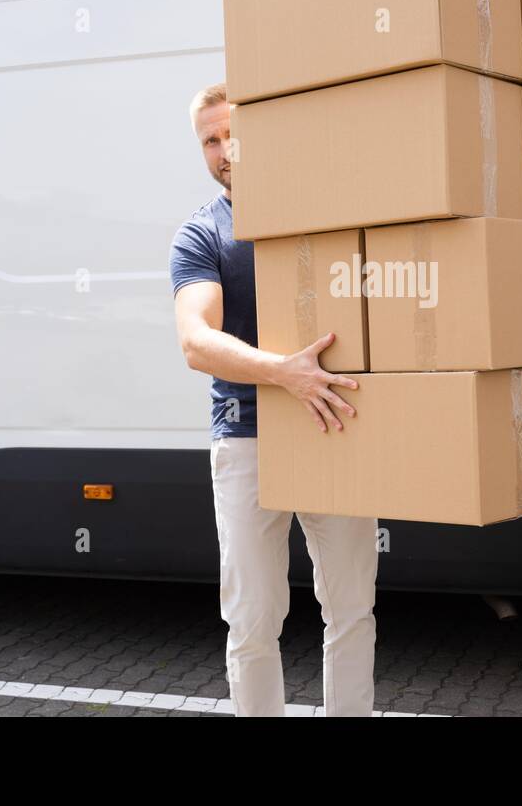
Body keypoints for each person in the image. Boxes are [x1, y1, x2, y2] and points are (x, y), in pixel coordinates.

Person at [169, 83, 379, 717]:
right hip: (247, 439)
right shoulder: (202, 234)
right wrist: (286, 373)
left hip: (334, 426)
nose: (223, 148)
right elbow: (196, 342)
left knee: (350, 609)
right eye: (209, 138)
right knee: (254, 621)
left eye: (232, 132)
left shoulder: (324, 217)